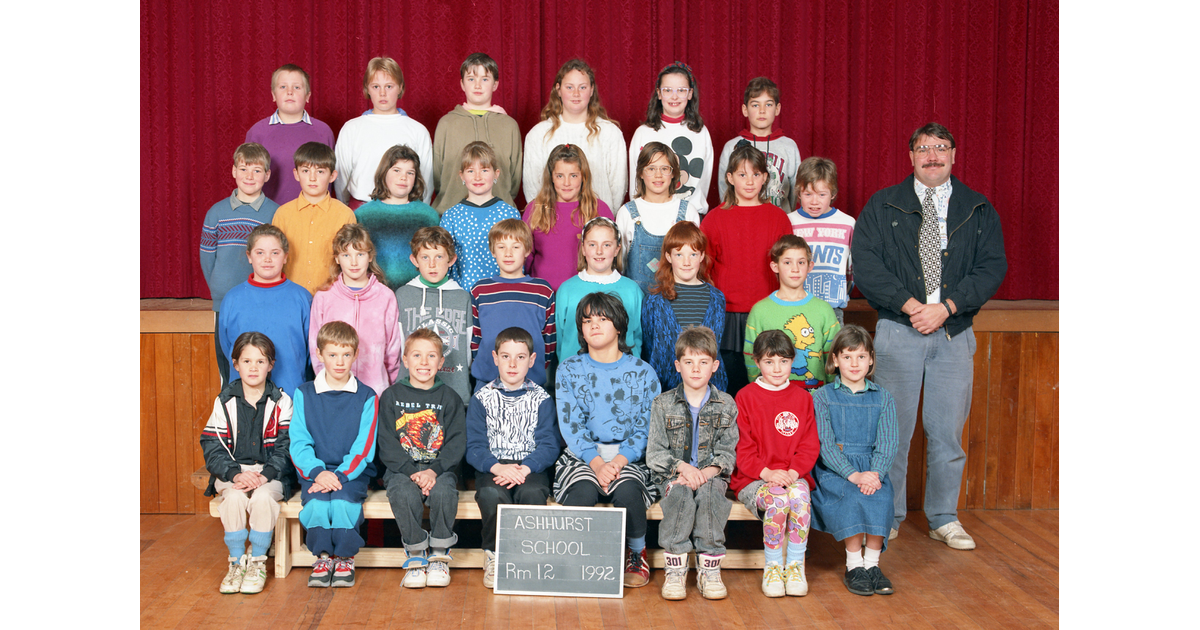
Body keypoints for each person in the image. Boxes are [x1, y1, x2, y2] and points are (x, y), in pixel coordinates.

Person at [851, 122, 1007, 550]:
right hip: (899, 329)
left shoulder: (977, 208)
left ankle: (943, 517)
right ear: (911, 156)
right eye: (924, 148)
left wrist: (947, 308)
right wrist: (912, 306)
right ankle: (891, 513)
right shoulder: (883, 205)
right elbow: (866, 265)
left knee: (946, 433)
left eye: (941, 148)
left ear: (954, 154)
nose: (932, 155)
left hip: (953, 333)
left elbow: (992, 267)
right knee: (891, 433)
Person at [553, 292, 661, 588]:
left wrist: (617, 463)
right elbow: (571, 424)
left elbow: (646, 427)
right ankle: (580, 558)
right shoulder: (569, 370)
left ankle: (636, 554)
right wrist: (598, 464)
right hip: (583, 456)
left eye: (602, 319)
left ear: (619, 326)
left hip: (629, 457)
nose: (594, 325)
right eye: (587, 320)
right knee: (582, 494)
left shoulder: (642, 372)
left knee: (627, 492)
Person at [645, 326, 737, 601]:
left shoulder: (726, 404)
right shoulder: (662, 404)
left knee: (710, 497)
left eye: (703, 362)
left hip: (712, 476)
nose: (696, 369)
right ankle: (675, 570)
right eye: (688, 362)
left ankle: (710, 568)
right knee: (681, 495)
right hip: (674, 476)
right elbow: (655, 453)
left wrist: (704, 474)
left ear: (715, 366)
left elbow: (728, 452)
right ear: (677, 366)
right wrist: (683, 469)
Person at [465, 326, 559, 588]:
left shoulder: (542, 399)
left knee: (532, 494)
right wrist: (497, 468)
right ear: (495, 358)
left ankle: (526, 556)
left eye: (520, 357)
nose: (513, 364)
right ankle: (494, 555)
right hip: (493, 468)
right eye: (506, 356)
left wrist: (525, 469)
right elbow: (474, 446)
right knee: (492, 496)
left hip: (530, 468)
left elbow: (549, 445)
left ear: (531, 360)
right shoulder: (481, 399)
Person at [200, 332, 293, 595]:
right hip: (233, 473)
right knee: (235, 499)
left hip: (270, 474)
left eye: (261, 361)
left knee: (263, 498)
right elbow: (212, 445)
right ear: (235, 364)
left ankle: (258, 562)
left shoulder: (281, 402)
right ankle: (236, 561)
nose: (254, 367)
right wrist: (235, 474)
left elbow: (285, 448)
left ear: (271, 365)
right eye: (247, 361)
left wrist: (264, 476)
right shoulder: (224, 401)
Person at [810, 325, 899, 597]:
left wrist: (876, 473)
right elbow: (825, 443)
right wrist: (853, 474)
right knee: (851, 497)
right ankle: (854, 566)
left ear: (871, 359)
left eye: (861, 357)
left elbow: (888, 442)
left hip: (872, 467)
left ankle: (872, 565)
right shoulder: (823, 397)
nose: (854, 363)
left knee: (880, 497)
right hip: (836, 470)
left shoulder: (883, 398)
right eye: (847, 357)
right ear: (835, 360)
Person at [288, 321, 378, 588]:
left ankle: (345, 557)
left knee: (341, 503)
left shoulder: (367, 396)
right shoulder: (304, 393)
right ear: (319, 354)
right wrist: (318, 473)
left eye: (346, 354)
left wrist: (339, 475)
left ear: (356, 354)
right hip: (315, 472)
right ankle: (323, 557)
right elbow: (299, 441)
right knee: (316, 504)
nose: (340, 362)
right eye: (332, 354)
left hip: (352, 473)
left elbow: (364, 447)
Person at [731, 330, 819, 598]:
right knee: (778, 500)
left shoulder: (803, 397)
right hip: (754, 478)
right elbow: (741, 448)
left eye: (784, 361)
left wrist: (792, 472)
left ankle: (794, 565)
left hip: (793, 475)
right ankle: (772, 566)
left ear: (793, 361)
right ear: (757, 362)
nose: (777, 368)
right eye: (769, 362)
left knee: (801, 498)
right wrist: (768, 473)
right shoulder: (745, 397)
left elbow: (809, 444)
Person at [377, 328, 467, 589]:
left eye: (431, 356)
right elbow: (387, 442)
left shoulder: (450, 398)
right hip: (401, 470)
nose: (424, 362)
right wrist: (410, 471)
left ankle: (439, 554)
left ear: (441, 362)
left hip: (439, 470)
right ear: (405, 360)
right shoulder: (391, 396)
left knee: (444, 493)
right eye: (417, 355)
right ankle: (416, 555)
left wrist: (434, 471)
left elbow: (456, 443)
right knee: (403, 493)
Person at [700, 144, 793, 395]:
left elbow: (787, 266)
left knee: (769, 382)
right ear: (730, 178)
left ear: (765, 177)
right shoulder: (715, 219)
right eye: (742, 175)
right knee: (731, 383)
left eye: (755, 174)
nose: (749, 181)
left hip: (768, 310)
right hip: (729, 314)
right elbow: (703, 269)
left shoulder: (778, 218)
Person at [200, 142, 280, 385]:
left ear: (267, 175)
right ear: (234, 171)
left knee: (261, 360)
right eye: (244, 169)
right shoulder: (216, 213)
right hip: (225, 300)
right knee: (229, 362)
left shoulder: (276, 213)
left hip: (262, 298)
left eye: (257, 170)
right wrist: (218, 286)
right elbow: (207, 257)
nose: (249, 176)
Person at [308, 224, 401, 396]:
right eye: (346, 255)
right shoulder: (324, 297)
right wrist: (326, 383)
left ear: (370, 256)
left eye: (360, 254)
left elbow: (392, 350)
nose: (353, 262)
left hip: (376, 392)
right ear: (337, 259)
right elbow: (316, 347)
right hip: (334, 392)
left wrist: (388, 388)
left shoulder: (385, 296)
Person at [219, 224, 312, 396]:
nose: (267, 259)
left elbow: (310, 350)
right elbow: (228, 347)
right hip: (245, 397)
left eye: (275, 253)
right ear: (249, 256)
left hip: (290, 394)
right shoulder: (232, 299)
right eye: (260, 252)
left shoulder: (302, 298)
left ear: (285, 257)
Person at [522, 59, 626, 211]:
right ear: (558, 90)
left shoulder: (610, 133)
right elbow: (533, 187)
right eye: (569, 87)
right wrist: (545, 220)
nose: (576, 94)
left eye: (582, 87)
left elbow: (618, 186)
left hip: (598, 223)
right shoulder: (539, 134)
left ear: (591, 90)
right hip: (552, 225)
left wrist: (603, 221)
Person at [744, 234, 841, 391]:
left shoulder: (824, 310)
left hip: (816, 398)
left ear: (810, 266)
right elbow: (751, 356)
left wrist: (831, 393)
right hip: (773, 396)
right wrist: (759, 390)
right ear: (775, 266)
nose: (795, 269)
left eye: (801, 262)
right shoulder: (760, 311)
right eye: (787, 262)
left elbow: (833, 356)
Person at [335, 56, 434, 208]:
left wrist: (418, 212)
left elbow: (426, 181)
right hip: (361, 209)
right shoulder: (351, 128)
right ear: (367, 88)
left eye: (389, 86)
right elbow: (341, 180)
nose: (382, 93)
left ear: (400, 87)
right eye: (376, 86)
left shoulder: (417, 130)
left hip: (405, 210)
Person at [640, 221, 727, 392]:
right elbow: (649, 347)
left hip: (709, 388)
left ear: (702, 256)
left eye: (693, 255)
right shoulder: (654, 301)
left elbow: (715, 345)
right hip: (665, 388)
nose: (686, 262)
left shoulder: (717, 298)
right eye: (679, 255)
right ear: (668, 256)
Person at [469, 220, 555, 389]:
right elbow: (476, 337)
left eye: (516, 247)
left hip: (531, 382)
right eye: (501, 247)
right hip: (488, 381)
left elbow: (549, 339)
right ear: (493, 251)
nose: (508, 253)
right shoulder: (480, 290)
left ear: (527, 250)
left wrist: (533, 367)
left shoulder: (542, 290)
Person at [432, 53, 522, 213]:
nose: (477, 85)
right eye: (471, 79)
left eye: (485, 79)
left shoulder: (509, 126)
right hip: (451, 213)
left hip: (499, 218)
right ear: (462, 84)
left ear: (495, 84)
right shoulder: (446, 123)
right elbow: (438, 176)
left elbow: (514, 180)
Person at [395, 226, 472, 407]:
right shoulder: (403, 295)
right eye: (425, 257)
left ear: (451, 260)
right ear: (414, 260)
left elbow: (468, 348)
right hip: (410, 393)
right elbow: (398, 344)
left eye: (439, 257)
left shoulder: (463, 297)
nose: (432, 264)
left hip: (455, 392)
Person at [522, 143, 614, 290]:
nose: (566, 183)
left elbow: (613, 257)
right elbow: (524, 258)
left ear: (583, 176)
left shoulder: (599, 209)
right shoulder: (535, 209)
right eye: (560, 176)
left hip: (588, 296)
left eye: (573, 176)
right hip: (543, 294)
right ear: (551, 177)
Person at [627, 62, 713, 216]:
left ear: (690, 93)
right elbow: (636, 181)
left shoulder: (701, 133)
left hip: (689, 215)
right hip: (650, 213)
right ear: (659, 94)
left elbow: (704, 180)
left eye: (681, 90)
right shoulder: (643, 133)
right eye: (667, 90)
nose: (674, 96)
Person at [271, 141, 357, 295]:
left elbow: (351, 260)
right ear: (296, 174)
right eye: (305, 171)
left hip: (332, 296)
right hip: (290, 295)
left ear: (332, 176)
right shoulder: (283, 214)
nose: (312, 178)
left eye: (320, 172)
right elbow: (275, 258)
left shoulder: (345, 214)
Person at [245, 64, 336, 205]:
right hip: (270, 215)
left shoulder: (323, 132)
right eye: (283, 87)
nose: (289, 92)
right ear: (273, 95)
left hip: (314, 213)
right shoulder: (257, 132)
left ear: (308, 96)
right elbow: (248, 177)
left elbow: (332, 179)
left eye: (297, 87)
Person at [553, 217, 642, 361]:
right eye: (592, 244)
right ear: (583, 248)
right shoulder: (566, 290)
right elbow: (561, 338)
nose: (599, 251)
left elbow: (637, 337)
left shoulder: (632, 290)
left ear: (617, 249)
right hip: (576, 374)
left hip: (623, 375)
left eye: (606, 245)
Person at [354, 145, 440, 291]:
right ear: (383, 173)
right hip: (374, 294)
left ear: (416, 178)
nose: (403, 177)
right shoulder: (363, 215)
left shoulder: (428, 216)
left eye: (410, 173)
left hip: (418, 293)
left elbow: (438, 258)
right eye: (396, 170)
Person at [616, 141, 699, 293]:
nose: (658, 175)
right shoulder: (627, 213)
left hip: (676, 301)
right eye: (651, 168)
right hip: (638, 302)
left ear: (673, 173)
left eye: (664, 168)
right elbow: (619, 266)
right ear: (640, 173)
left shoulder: (688, 212)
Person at [439, 141, 521, 292]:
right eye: (470, 171)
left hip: (501, 293)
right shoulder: (451, 216)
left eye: (484, 170)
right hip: (463, 295)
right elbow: (444, 261)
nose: (478, 177)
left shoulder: (509, 213)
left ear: (496, 174)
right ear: (461, 175)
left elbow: (519, 259)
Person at [716, 77, 801, 213]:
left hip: (779, 221)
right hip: (741, 220)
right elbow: (725, 191)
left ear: (777, 108)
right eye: (755, 105)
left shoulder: (789, 146)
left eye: (768, 104)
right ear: (745, 110)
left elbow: (795, 192)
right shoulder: (731, 147)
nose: (762, 111)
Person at [787, 157, 855, 324]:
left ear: (833, 194)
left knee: (832, 350)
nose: (814, 201)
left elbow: (852, 269)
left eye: (822, 194)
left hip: (832, 308)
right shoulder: (788, 222)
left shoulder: (847, 223)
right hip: (793, 306)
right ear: (798, 193)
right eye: (808, 194)